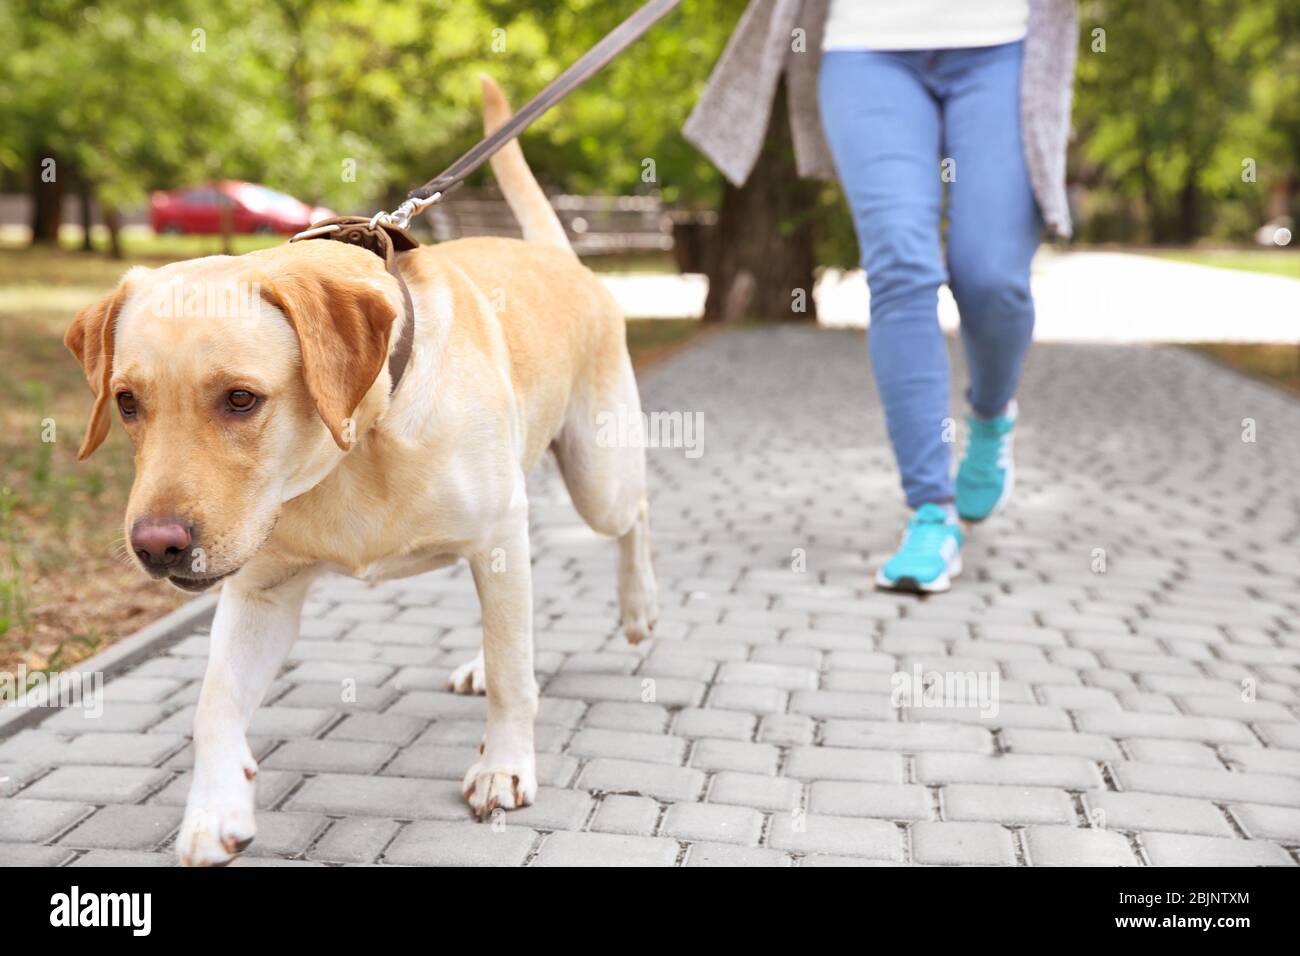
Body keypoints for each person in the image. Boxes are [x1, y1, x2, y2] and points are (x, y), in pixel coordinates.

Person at [685, 0, 1078, 593]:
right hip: (864, 47)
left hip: (1005, 45)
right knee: (900, 266)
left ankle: (992, 418)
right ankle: (930, 511)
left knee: (991, 277)